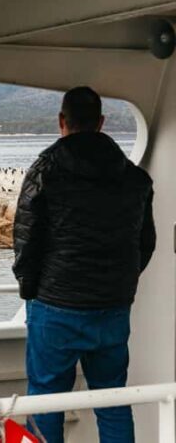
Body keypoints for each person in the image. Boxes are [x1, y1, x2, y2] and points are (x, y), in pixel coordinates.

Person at [13, 86, 156, 443]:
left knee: (47, 399)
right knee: (113, 399)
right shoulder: (134, 177)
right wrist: (120, 286)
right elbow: (145, 243)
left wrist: (32, 291)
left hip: (55, 306)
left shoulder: (45, 169)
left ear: (62, 121)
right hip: (112, 308)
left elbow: (26, 241)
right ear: (101, 123)